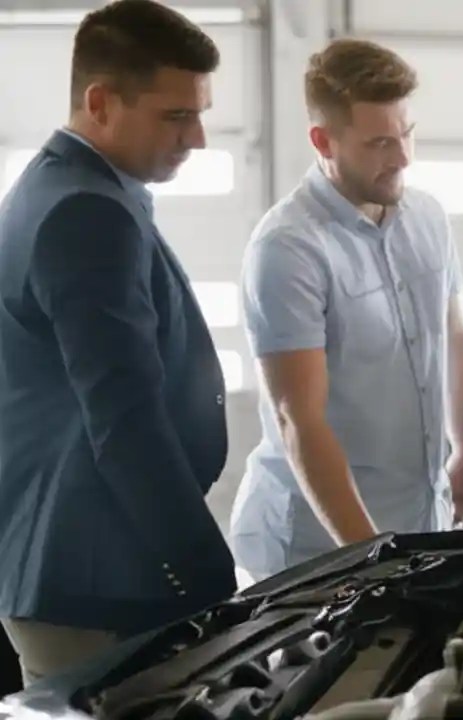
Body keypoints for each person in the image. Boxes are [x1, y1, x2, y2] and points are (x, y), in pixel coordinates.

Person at [0, 0, 233, 686]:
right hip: (96, 574)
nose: (196, 139)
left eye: (200, 113)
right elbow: (124, 419)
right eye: (176, 116)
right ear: (100, 102)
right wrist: (206, 575)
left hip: (86, 559)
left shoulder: (67, 187)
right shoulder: (85, 213)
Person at [229, 38, 463, 584]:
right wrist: (369, 558)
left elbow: (455, 337)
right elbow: (301, 420)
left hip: (420, 519)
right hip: (318, 549)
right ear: (324, 141)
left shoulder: (429, 217)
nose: (404, 156)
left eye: (407, 133)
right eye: (380, 143)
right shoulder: (288, 248)